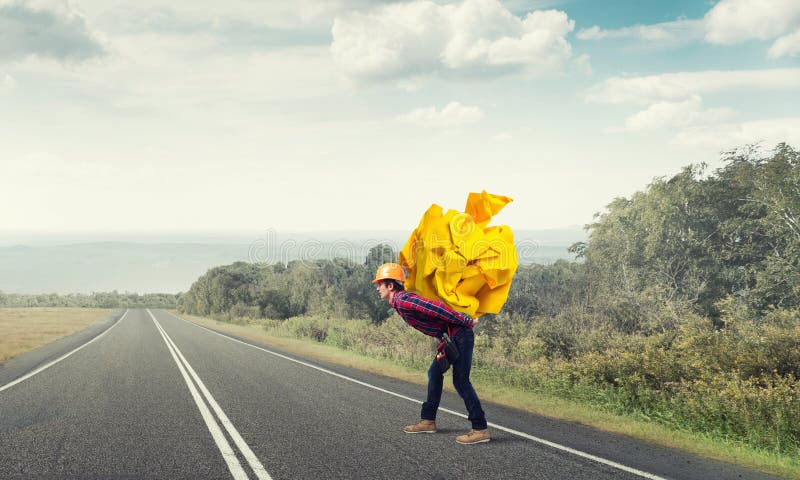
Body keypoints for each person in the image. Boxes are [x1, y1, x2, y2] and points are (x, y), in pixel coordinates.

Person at [373, 262, 490, 444]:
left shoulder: (403, 300)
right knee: (434, 373)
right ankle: (428, 421)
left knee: (460, 381)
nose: (377, 288)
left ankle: (480, 429)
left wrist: (465, 320)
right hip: (450, 338)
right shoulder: (399, 302)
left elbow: (435, 308)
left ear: (390, 285)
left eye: (379, 284)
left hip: (460, 334)